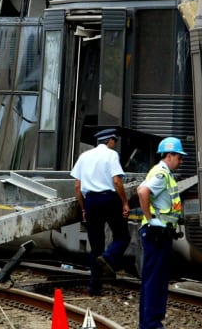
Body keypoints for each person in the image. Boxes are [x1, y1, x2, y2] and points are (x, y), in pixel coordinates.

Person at [71, 128, 130, 296]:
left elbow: (77, 186)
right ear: (110, 141)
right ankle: (109, 257)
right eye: (115, 141)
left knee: (96, 245)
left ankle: (94, 288)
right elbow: (117, 181)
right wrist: (125, 202)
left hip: (91, 202)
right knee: (122, 236)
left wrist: (83, 208)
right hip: (109, 200)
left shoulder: (84, 156)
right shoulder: (111, 155)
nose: (115, 144)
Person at [137, 136, 186, 329]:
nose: (181, 161)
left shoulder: (163, 173)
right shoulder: (161, 174)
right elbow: (142, 192)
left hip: (158, 233)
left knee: (152, 279)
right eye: (179, 157)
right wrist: (151, 220)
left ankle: (147, 322)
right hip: (156, 233)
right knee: (156, 280)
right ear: (170, 155)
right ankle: (152, 324)